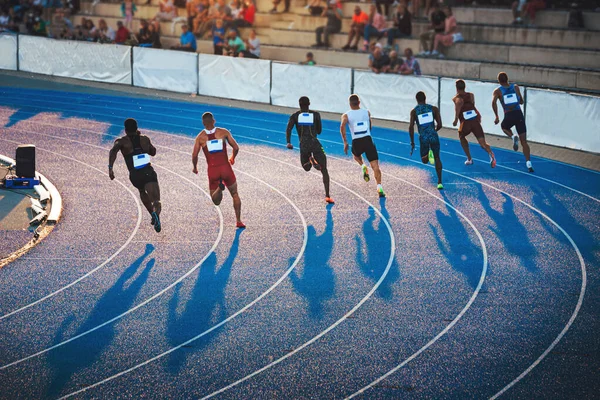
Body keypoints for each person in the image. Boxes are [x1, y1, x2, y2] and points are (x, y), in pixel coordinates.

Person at [192, 112, 245, 228]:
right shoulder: (224, 132)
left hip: (213, 170)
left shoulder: (200, 137)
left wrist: (195, 167)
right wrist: (232, 158)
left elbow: (195, 155)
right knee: (235, 194)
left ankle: (220, 190)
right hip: (226, 168)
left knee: (216, 201)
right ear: (214, 121)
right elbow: (236, 147)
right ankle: (239, 220)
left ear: (203, 123)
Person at [109, 118, 162, 232]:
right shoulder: (145, 139)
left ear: (125, 130)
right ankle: (156, 213)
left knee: (142, 191)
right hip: (148, 172)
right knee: (156, 200)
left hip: (135, 175)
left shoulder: (121, 141)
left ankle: (152, 214)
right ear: (137, 128)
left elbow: (113, 151)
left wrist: (110, 168)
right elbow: (153, 152)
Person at [286, 97, 334, 204]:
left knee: (306, 168)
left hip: (304, 145)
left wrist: (288, 142)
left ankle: (310, 160)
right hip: (315, 143)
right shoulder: (316, 115)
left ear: (299, 104)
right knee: (324, 169)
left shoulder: (295, 116)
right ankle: (327, 196)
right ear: (309, 104)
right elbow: (319, 131)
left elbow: (289, 128)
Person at [340, 94, 385, 198]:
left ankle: (362, 165)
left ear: (350, 104)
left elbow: (342, 126)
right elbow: (370, 125)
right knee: (375, 166)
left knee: (355, 156)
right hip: (368, 140)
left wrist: (345, 142)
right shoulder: (367, 112)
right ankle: (379, 186)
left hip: (356, 141)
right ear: (359, 102)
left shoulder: (346, 115)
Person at [492, 72, 533, 172]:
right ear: (507, 79)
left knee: (504, 127)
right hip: (518, 114)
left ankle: (512, 136)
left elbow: (493, 103)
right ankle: (528, 163)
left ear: (499, 81)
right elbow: (521, 102)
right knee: (524, 141)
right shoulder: (515, 87)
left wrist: (496, 116)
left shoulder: (497, 91)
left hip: (509, 115)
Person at [452, 79, 496, 168]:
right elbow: (472, 106)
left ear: (456, 88)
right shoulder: (471, 95)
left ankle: (469, 159)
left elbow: (458, 109)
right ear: (464, 87)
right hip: (475, 120)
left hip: (466, 123)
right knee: (482, 143)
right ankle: (490, 154)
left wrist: (456, 120)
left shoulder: (457, 99)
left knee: (461, 136)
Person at [409, 91, 444, 189]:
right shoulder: (433, 109)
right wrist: (433, 131)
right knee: (437, 158)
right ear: (425, 98)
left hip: (423, 138)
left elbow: (411, 127)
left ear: (416, 100)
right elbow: (440, 125)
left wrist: (412, 142)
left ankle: (428, 153)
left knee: (424, 161)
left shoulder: (414, 112)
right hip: (433, 136)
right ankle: (440, 182)